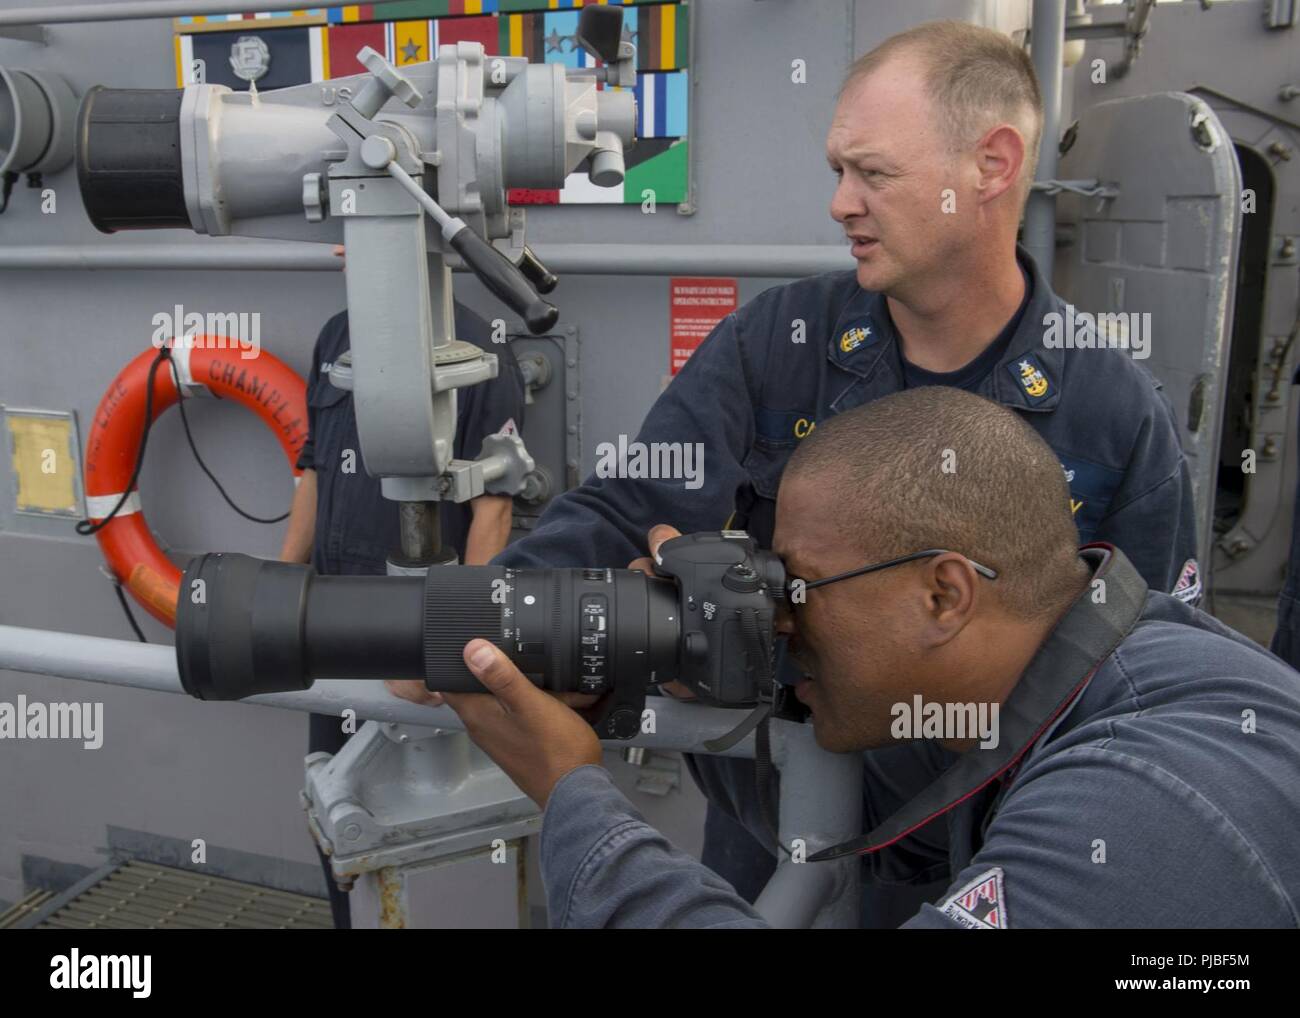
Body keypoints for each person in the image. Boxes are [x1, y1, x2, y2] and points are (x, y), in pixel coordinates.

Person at [392, 19, 1204, 912]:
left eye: (874, 173)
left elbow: (1138, 682)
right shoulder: (774, 346)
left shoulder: (1116, 416)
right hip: (765, 837)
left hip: (978, 867)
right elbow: (629, 508)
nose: (841, 203)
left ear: (994, 164)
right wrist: (465, 622)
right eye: (837, 172)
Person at [432, 387, 1300, 928]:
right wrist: (695, 668)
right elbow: (889, 825)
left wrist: (575, 795)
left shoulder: (1142, 805)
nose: (780, 624)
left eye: (798, 587)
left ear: (944, 594)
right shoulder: (1079, 678)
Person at [280, 275, 527, 928]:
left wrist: (450, 649)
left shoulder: (477, 351)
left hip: (410, 643)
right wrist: (278, 589)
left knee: (410, 833)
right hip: (329, 630)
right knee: (335, 814)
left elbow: (492, 516)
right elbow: (313, 468)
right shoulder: (339, 335)